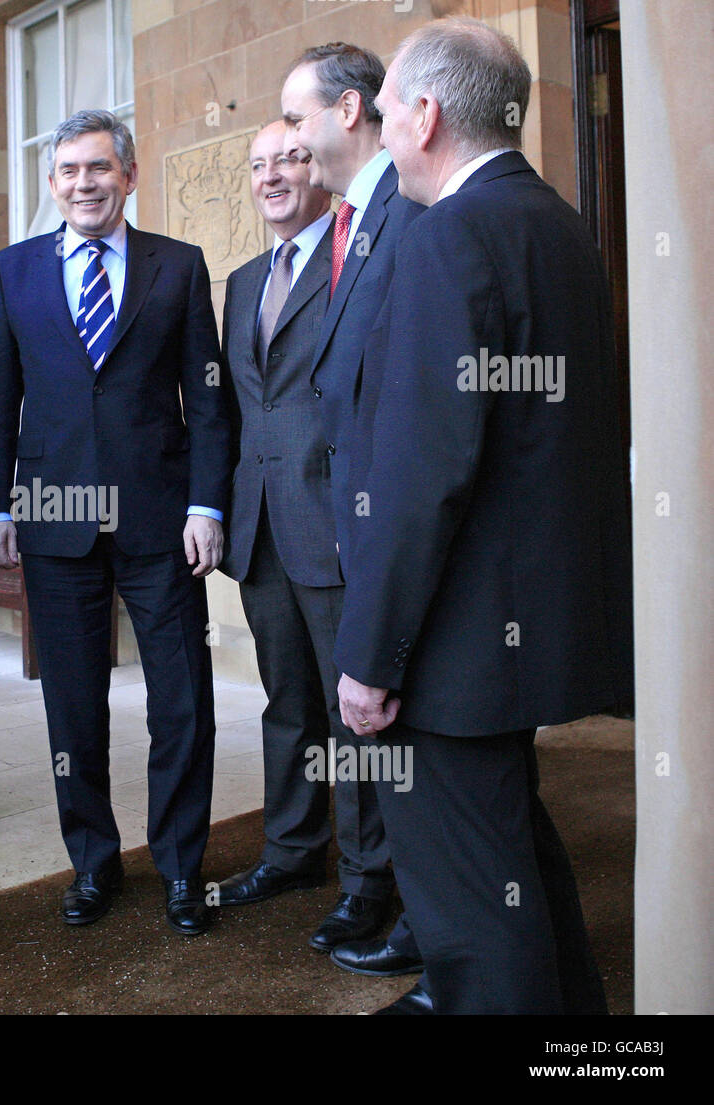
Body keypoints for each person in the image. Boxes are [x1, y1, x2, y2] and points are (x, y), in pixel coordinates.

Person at [335, 17, 633, 1014]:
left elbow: (426, 475)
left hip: (451, 656)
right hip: (525, 633)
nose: (378, 139)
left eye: (382, 118)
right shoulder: (560, 226)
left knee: (476, 934)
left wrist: (372, 659)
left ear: (423, 115)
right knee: (521, 877)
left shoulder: (446, 236)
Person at [0, 109, 231, 936]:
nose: (84, 183)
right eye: (68, 172)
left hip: (162, 520)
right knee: (73, 707)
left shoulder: (180, 267)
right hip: (54, 522)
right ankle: (92, 862)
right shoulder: (13, 271)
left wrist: (206, 502)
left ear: (129, 174)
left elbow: (211, 398)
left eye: (98, 168)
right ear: (52, 185)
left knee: (182, 700)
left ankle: (183, 868)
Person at [278, 42, 424, 966]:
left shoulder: (410, 211)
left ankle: (427, 917)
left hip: (393, 518)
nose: (288, 142)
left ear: (350, 110)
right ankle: (378, 893)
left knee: (400, 730)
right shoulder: (349, 220)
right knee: (358, 725)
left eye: (296, 119)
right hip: (335, 523)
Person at [216, 124, 348, 921]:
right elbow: (239, 406)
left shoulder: (353, 258)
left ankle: (373, 879)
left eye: (290, 158)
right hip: (260, 528)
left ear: (322, 166)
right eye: (259, 164)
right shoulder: (241, 280)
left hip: (334, 521)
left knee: (352, 711)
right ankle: (294, 852)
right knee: (287, 703)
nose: (272, 176)